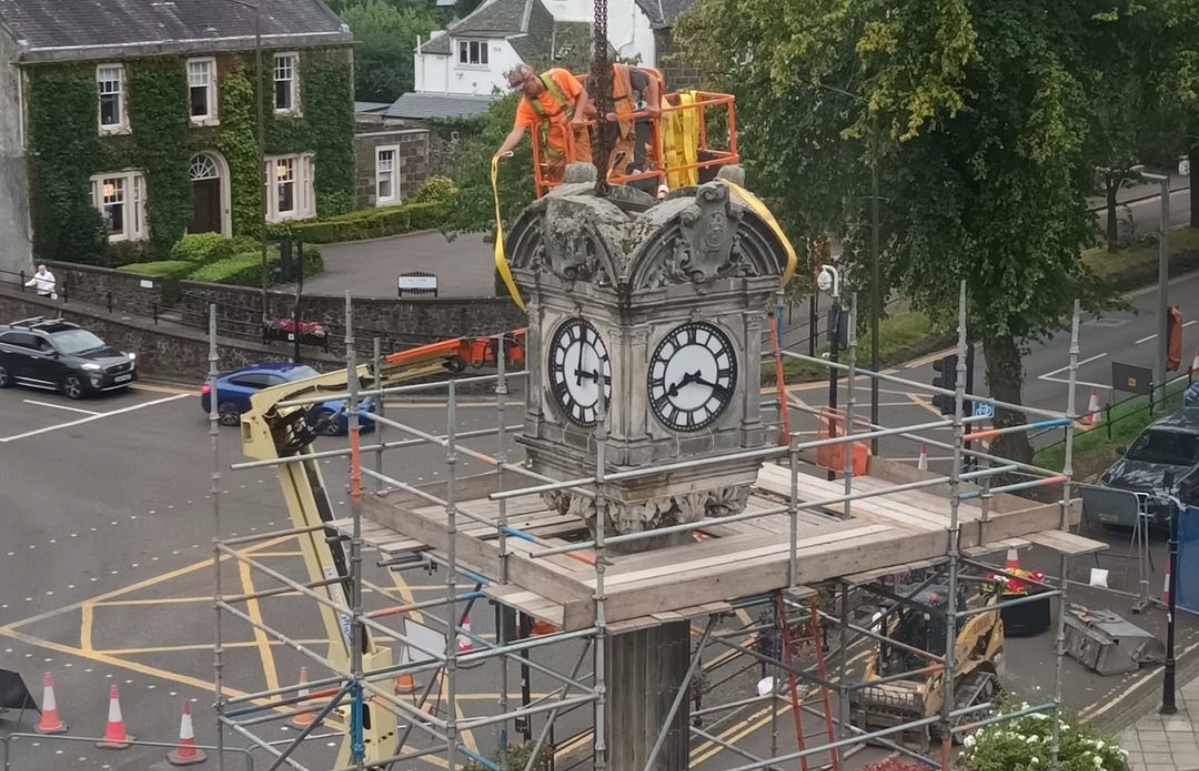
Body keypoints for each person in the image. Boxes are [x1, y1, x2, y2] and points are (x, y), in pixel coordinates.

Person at [494, 63, 592, 182]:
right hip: (555, 149)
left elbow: (583, 94)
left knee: (584, 176)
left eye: (525, 88)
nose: (525, 93)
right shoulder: (526, 105)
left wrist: (577, 117)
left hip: (576, 137)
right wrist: (500, 152)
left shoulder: (558, 76)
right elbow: (516, 132)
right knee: (557, 185)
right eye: (521, 91)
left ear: (532, 78)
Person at [583, 62, 664, 178]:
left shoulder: (625, 72)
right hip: (603, 128)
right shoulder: (591, 79)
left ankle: (615, 186)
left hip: (624, 126)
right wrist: (602, 115)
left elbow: (651, 79)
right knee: (600, 164)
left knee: (619, 164)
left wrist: (653, 104)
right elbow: (586, 105)